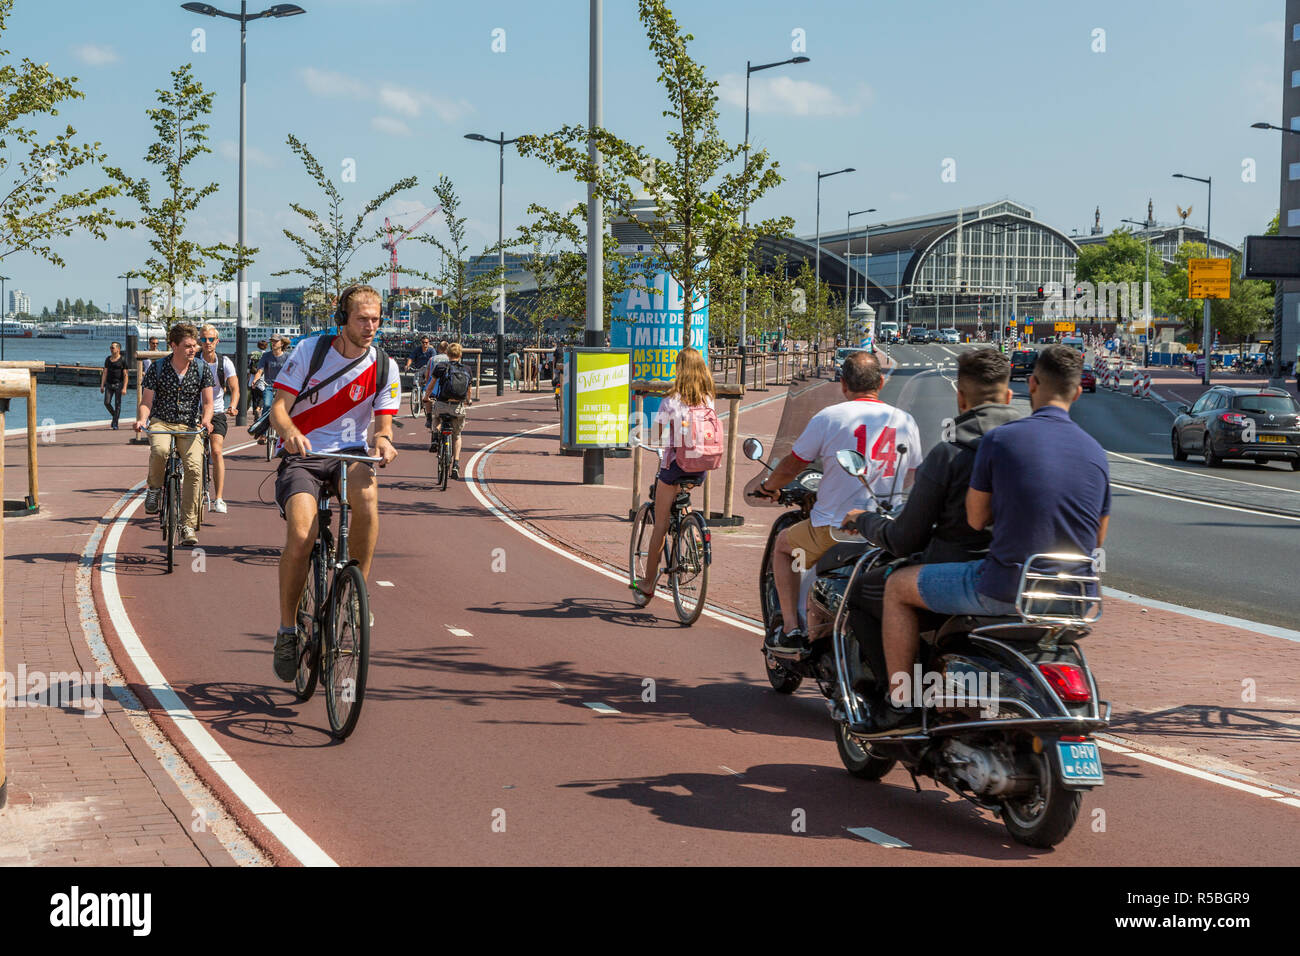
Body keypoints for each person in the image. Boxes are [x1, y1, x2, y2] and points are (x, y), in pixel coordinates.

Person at [872, 345, 1110, 736]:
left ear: (1030, 384)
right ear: (1078, 392)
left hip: (1007, 588)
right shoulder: (1096, 452)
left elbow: (976, 517)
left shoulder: (1003, 440)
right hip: (1075, 599)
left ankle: (901, 704)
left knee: (897, 587)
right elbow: (1097, 536)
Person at [836, 348, 1020, 728]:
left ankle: (901, 699)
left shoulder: (951, 453)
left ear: (961, 397)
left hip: (962, 574)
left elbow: (905, 538)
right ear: (1009, 396)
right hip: (1025, 577)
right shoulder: (1032, 450)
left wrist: (865, 520)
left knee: (867, 590)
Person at [268, 284, 399, 681]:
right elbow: (278, 408)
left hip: (349, 456)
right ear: (342, 318)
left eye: (376, 319)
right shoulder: (311, 352)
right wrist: (290, 432)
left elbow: (384, 425)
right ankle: (288, 630)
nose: (370, 326)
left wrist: (383, 441)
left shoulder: (383, 364)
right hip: (305, 458)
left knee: (368, 496)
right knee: (303, 534)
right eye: (362, 318)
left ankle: (356, 588)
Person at [755, 351, 920, 655]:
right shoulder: (905, 420)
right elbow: (911, 476)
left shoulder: (829, 417)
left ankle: (790, 628)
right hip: (883, 529)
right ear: (881, 382)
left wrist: (768, 487)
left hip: (835, 530)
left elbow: (793, 464)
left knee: (782, 545)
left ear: (844, 385)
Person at [630, 347, 716, 606]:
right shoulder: (707, 398)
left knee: (661, 523)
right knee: (683, 499)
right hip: (701, 466)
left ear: (680, 369)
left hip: (675, 466)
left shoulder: (671, 400)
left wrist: (647, 438)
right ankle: (695, 537)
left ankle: (647, 583)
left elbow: (656, 436)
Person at [133, 323, 215, 547]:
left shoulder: (201, 369)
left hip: (190, 426)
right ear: (174, 346)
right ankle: (154, 489)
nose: (194, 349)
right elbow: (146, 402)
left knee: (194, 468)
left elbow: (208, 403)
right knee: (159, 450)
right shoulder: (157, 368)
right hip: (162, 421)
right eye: (188, 346)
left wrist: (206, 420)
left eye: (195, 345)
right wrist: (142, 420)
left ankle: (187, 524)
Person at [197, 324, 239, 514]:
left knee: (216, 451)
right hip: (194, 412)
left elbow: (235, 389)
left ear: (217, 341)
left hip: (218, 412)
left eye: (211, 339)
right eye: (204, 339)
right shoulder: (193, 360)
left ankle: (219, 498)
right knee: (192, 454)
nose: (207, 343)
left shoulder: (225, 363)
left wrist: (233, 406)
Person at [424, 341, 473, 478]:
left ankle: (434, 438)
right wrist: (468, 401)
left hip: (442, 404)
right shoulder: (467, 369)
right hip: (457, 407)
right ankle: (456, 465)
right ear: (460, 355)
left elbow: (430, 385)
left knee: (435, 417)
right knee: (457, 435)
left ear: (447, 354)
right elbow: (469, 390)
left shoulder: (440, 367)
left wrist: (426, 397)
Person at [251, 334, 289, 440]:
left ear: (281, 343)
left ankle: (285, 431)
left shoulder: (287, 357)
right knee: (267, 405)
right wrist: (255, 379)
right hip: (269, 386)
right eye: (272, 341)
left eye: (275, 341)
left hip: (283, 387)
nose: (273, 343)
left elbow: (291, 371)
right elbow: (260, 371)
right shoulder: (266, 356)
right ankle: (263, 434)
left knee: (284, 409)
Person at [100, 341, 128, 430]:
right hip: (109, 384)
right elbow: (105, 372)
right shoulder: (108, 359)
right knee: (107, 403)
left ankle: (115, 423)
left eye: (113, 347)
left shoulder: (123, 360)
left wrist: (124, 388)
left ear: (118, 349)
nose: (111, 349)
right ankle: (115, 417)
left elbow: (125, 375)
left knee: (117, 404)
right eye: (110, 347)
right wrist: (102, 385)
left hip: (118, 384)